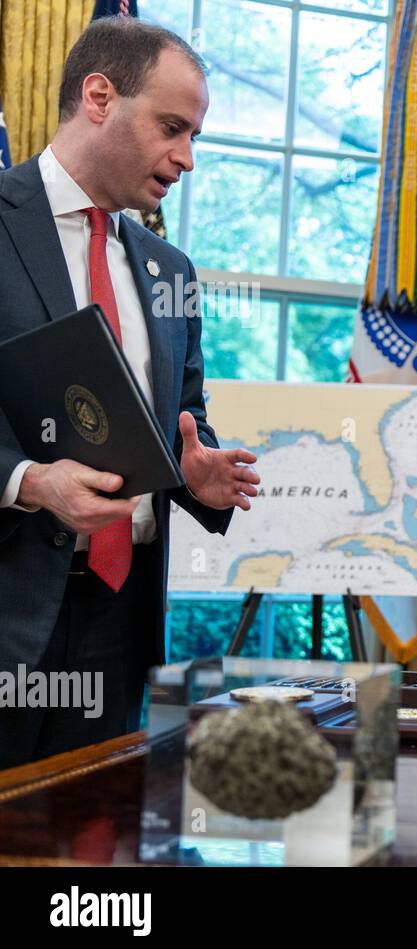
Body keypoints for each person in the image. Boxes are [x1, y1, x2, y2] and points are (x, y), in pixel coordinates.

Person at [0, 18, 259, 768]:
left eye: (195, 136)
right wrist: (29, 481)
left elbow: (183, 423)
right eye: (172, 127)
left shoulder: (170, 270)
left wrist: (198, 476)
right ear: (99, 97)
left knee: (92, 853)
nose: (187, 158)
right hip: (11, 614)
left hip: (120, 626)